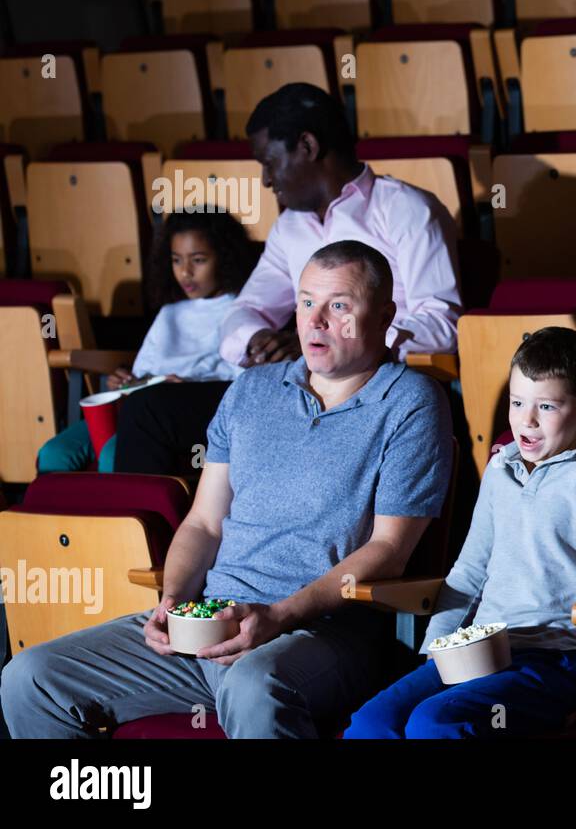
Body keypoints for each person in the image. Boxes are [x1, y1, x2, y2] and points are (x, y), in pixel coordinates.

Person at [1, 241, 454, 738]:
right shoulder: (252, 390)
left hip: (324, 631)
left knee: (252, 684)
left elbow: (389, 550)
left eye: (338, 306)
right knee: (31, 677)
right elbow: (203, 522)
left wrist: (279, 615)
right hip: (214, 617)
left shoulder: (411, 402)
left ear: (386, 314)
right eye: (305, 302)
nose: (315, 321)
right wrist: (173, 601)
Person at [113, 82, 462, 475]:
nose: (265, 180)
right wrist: (256, 340)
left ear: (307, 147)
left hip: (371, 389)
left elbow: (441, 324)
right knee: (149, 410)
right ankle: (147, 537)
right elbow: (244, 309)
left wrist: (328, 340)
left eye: (269, 162)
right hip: (291, 389)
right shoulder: (289, 228)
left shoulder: (406, 209)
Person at [345, 327, 576, 738]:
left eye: (547, 407)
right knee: (371, 722)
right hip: (477, 649)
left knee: (434, 722)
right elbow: (469, 571)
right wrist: (434, 652)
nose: (526, 420)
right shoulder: (501, 470)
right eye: (517, 403)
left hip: (554, 659)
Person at [36, 209, 254, 473]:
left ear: (225, 258)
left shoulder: (243, 310)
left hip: (179, 411)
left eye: (198, 260)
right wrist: (126, 380)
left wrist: (187, 387)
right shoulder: (170, 312)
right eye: (176, 260)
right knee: (54, 454)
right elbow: (143, 371)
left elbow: (241, 383)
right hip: (135, 403)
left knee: (110, 456)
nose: (185, 272)